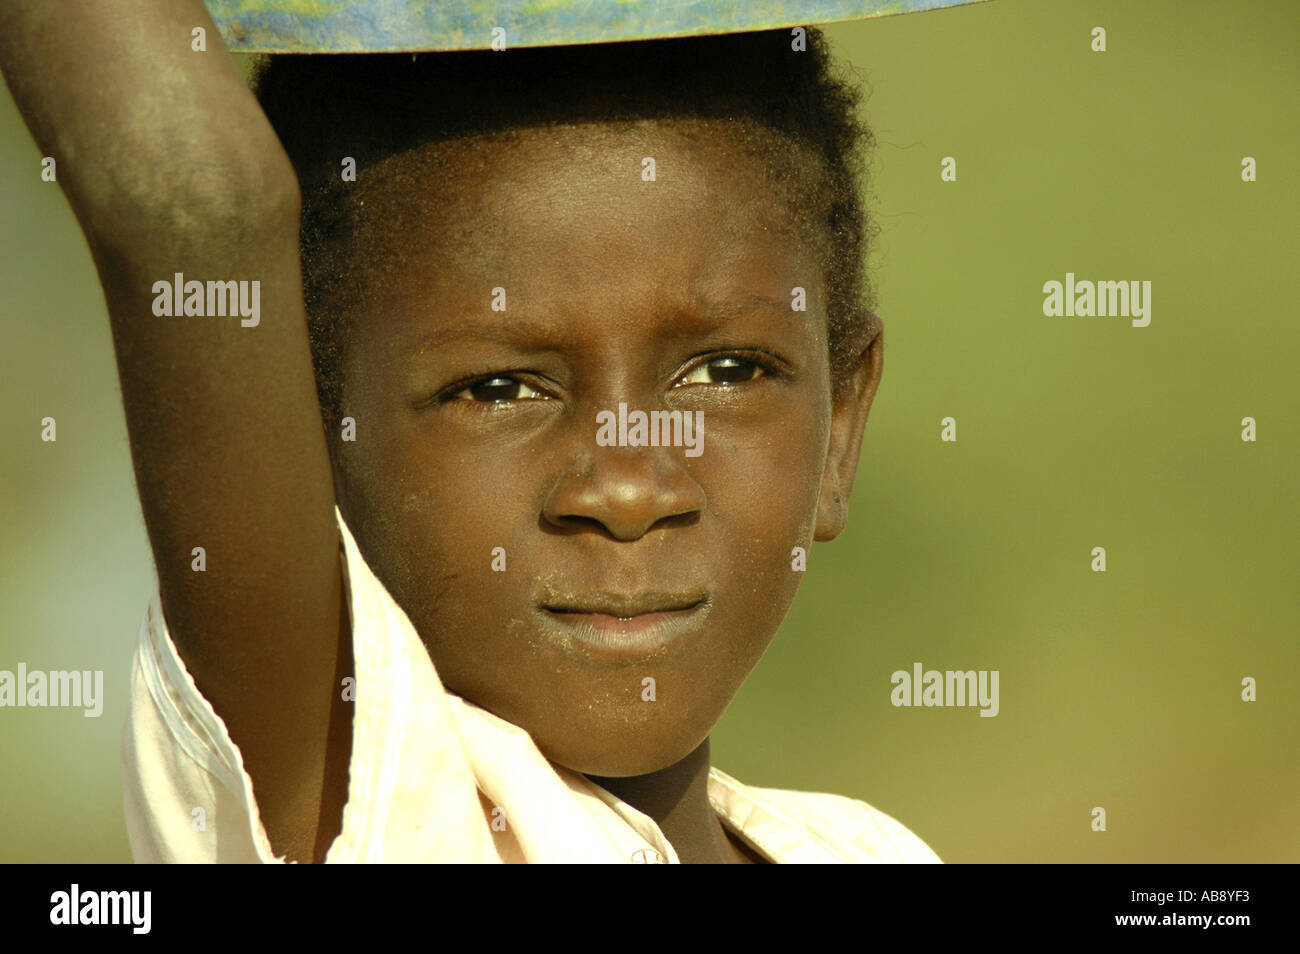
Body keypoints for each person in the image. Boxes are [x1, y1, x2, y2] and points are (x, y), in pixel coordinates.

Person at [0, 0, 941, 863]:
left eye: (726, 371)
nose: (627, 489)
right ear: (316, 441)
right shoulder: (360, 801)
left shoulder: (866, 848)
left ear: (842, 425)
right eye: (498, 387)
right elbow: (196, 206)